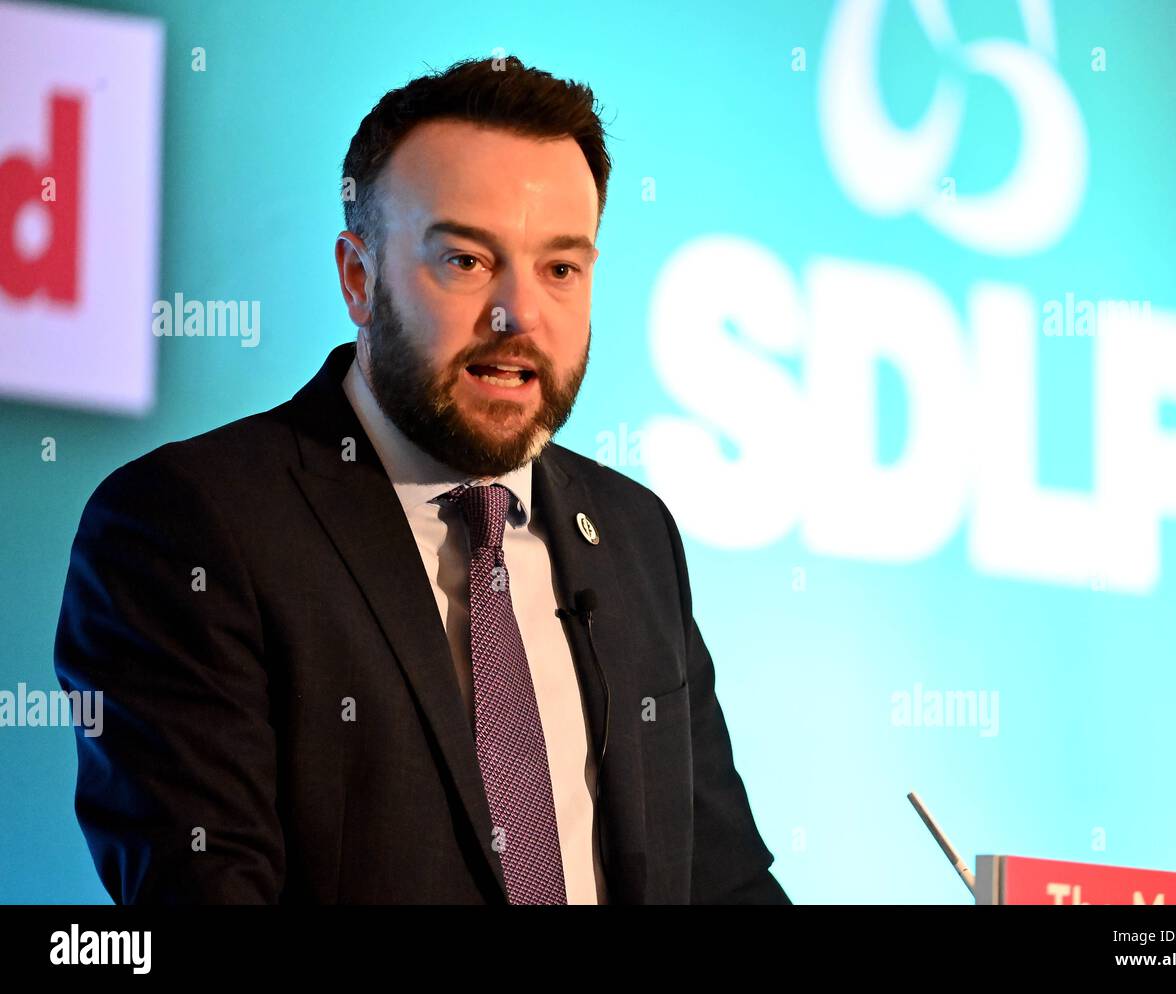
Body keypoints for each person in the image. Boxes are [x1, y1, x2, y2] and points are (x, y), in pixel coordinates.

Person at [54, 55, 788, 905]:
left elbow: (725, 883)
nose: (519, 316)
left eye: (561, 268)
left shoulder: (634, 533)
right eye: (467, 262)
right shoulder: (190, 525)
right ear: (359, 278)